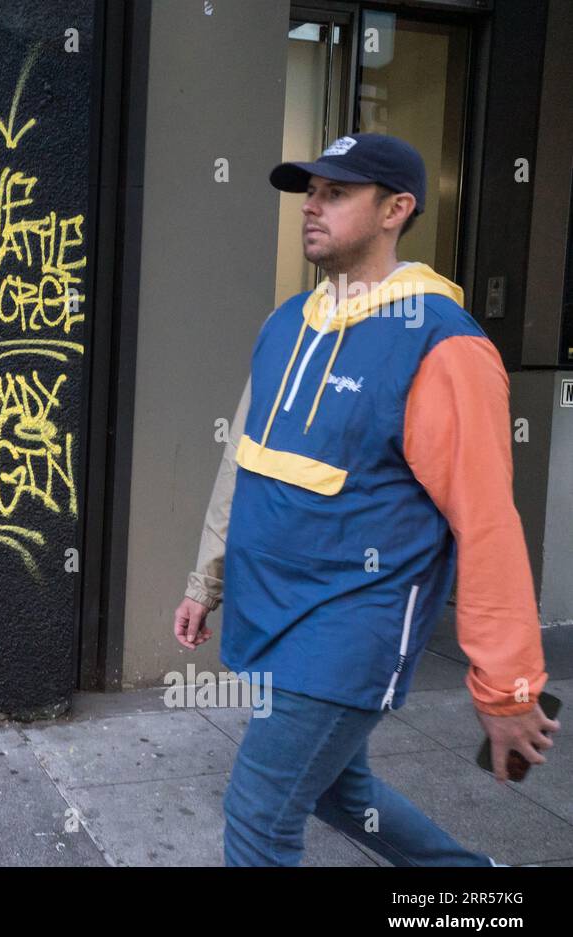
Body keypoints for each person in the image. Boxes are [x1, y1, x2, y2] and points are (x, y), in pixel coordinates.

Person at [172, 132, 560, 867]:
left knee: (259, 814)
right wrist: (207, 578)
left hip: (353, 627)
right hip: (270, 616)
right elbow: (244, 462)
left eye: (335, 194)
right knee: (335, 792)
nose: (311, 208)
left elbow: (487, 526)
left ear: (396, 209)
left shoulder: (443, 346)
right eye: (309, 192)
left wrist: (508, 688)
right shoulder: (286, 323)